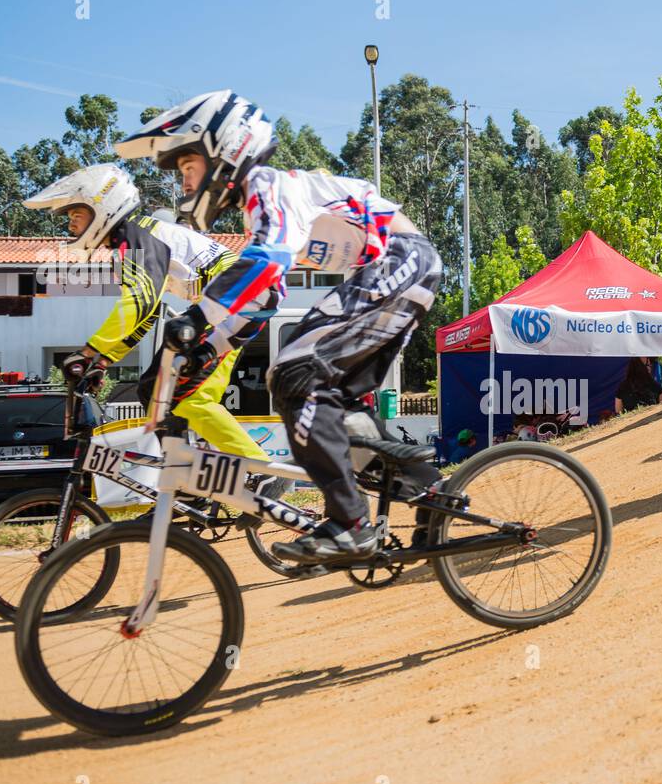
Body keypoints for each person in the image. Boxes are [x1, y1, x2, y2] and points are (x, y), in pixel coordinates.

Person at [116, 90, 442, 563]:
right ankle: (432, 495)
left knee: (295, 372)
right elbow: (266, 296)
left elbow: (264, 264)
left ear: (224, 153)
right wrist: (211, 350)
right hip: (394, 271)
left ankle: (350, 523)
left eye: (188, 168)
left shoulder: (269, 186)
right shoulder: (263, 206)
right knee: (336, 412)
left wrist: (197, 318)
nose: (185, 185)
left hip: (403, 259)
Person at [24, 164, 271, 463]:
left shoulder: (136, 235)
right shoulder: (130, 242)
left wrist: (90, 351)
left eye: (76, 215)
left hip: (234, 299)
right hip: (224, 301)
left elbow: (140, 301)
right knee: (151, 392)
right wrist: (104, 360)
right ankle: (183, 481)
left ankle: (261, 470)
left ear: (102, 209)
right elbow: (148, 313)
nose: (71, 226)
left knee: (191, 398)